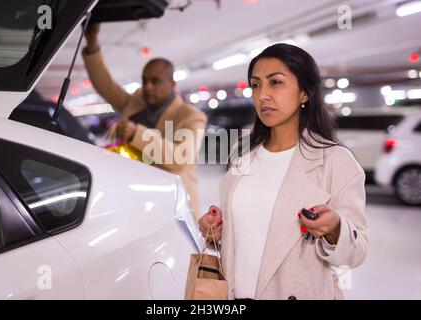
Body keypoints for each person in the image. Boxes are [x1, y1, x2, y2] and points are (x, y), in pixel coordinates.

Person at [198, 44, 368, 300]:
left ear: (304, 93)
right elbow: (248, 241)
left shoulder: (334, 160)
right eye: (255, 85)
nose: (262, 95)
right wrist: (218, 231)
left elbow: (356, 253)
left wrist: (334, 228)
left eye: (275, 82)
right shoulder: (243, 157)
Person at [82, 24, 207, 218]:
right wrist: (92, 45)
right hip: (138, 200)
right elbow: (105, 86)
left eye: (155, 81)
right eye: (144, 80)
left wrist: (136, 134)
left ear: (172, 84)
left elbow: (181, 159)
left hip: (175, 207)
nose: (148, 87)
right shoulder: (136, 102)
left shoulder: (191, 116)